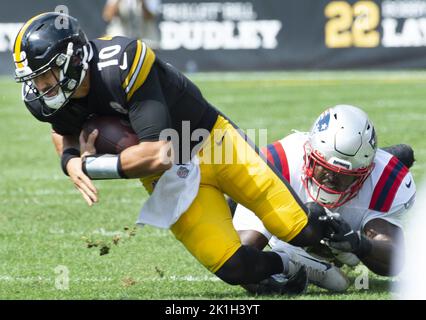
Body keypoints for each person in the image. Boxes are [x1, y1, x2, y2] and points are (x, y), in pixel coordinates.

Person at [12, 12, 347, 294]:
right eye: (35, 80)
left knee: (300, 227)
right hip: (170, 179)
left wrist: (95, 166)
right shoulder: (47, 98)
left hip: (212, 143)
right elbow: (62, 130)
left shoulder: (122, 63)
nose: (39, 88)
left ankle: (344, 233)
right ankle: (288, 262)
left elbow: (160, 152)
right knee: (234, 267)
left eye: (45, 76)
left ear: (71, 62)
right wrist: (70, 162)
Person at [232, 105, 416, 289]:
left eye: (346, 173)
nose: (332, 178)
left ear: (366, 172)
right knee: (240, 256)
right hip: (282, 218)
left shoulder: (383, 182)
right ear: (309, 154)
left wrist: (358, 243)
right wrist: (280, 269)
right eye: (324, 167)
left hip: (340, 243)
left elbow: (394, 260)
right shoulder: (281, 162)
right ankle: (287, 255)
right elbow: (238, 257)